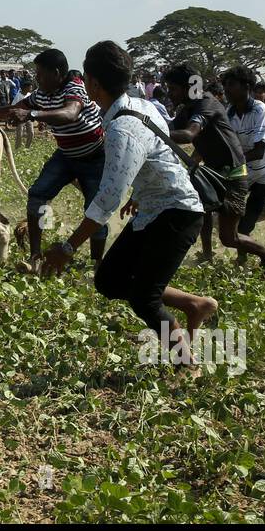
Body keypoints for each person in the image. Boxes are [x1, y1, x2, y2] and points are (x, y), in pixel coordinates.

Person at [40, 41, 216, 375]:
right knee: (108, 280)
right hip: (154, 208)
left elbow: (107, 199)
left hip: (177, 213)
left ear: (92, 84)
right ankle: (196, 304)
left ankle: (187, 363)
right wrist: (141, 190)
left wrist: (67, 247)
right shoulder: (142, 105)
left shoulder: (122, 127)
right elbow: (158, 151)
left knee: (144, 299)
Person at [0, 49, 107, 273]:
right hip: (66, 155)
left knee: (95, 210)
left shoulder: (74, 87)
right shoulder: (42, 94)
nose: (37, 78)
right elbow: (13, 110)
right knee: (37, 194)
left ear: (56, 73)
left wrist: (31, 115)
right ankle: (35, 257)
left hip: (94, 158)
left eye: (40, 74)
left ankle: (97, 264)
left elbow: (70, 113)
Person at [162, 64, 265, 268]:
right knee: (200, 211)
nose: (170, 94)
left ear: (189, 87)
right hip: (214, 174)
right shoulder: (187, 109)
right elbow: (169, 128)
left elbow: (188, 135)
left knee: (229, 238)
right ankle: (207, 255)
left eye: (173, 89)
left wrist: (151, 129)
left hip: (233, 176)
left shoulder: (205, 104)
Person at [222, 66, 265, 268]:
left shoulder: (261, 111)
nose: (227, 90)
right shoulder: (228, 113)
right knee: (242, 214)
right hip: (243, 171)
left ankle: (247, 258)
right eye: (225, 86)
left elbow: (259, 151)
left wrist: (231, 164)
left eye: (232, 85)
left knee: (246, 223)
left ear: (246, 87)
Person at [12, 80, 35, 149]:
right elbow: (13, 106)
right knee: (19, 134)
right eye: (30, 87)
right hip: (20, 117)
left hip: (28, 116)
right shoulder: (18, 96)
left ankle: (27, 148)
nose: (31, 89)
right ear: (25, 88)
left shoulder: (29, 95)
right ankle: (17, 148)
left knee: (31, 133)